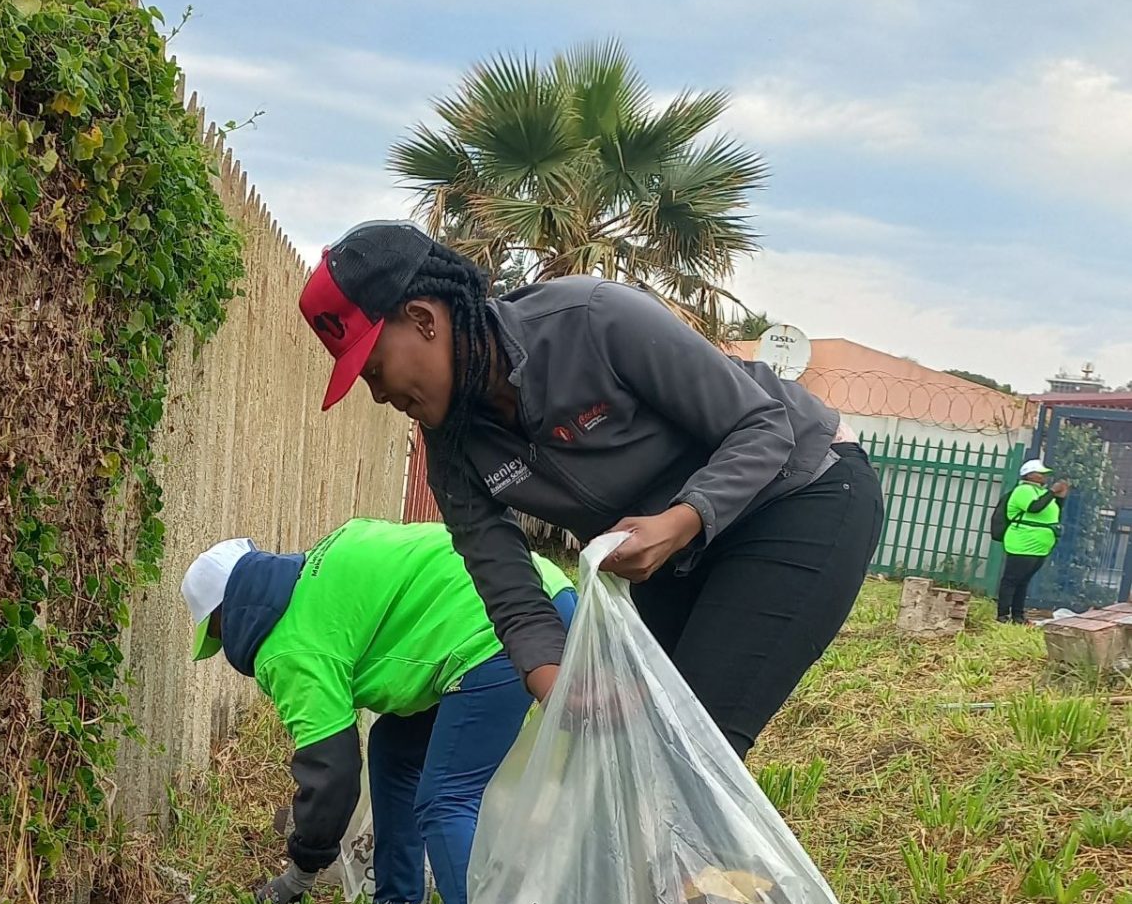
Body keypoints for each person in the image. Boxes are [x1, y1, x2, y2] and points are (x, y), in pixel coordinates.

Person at [299, 224, 884, 756]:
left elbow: (761, 427)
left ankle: (727, 878)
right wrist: (553, 684)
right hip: (671, 554)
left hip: (798, 492)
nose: (377, 396)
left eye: (374, 369)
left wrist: (680, 521)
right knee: (627, 750)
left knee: (693, 753)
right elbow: (507, 586)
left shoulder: (591, 320)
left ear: (424, 319)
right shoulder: (452, 447)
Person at [181, 519, 575, 904]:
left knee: (446, 799)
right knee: (394, 751)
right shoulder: (320, 573)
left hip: (502, 628)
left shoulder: (288, 646)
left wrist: (300, 875)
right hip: (538, 588)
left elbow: (332, 773)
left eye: (216, 633)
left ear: (228, 617)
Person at [996, 457, 1069, 624]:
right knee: (1012, 580)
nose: (1044, 476)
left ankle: (1018, 616)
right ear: (1029, 475)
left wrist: (1060, 498)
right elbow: (1034, 508)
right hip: (1023, 543)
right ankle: (1002, 615)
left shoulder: (1041, 492)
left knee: (1023, 581)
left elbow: (1051, 511)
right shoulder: (1023, 491)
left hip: (1039, 546)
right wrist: (1052, 492)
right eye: (1040, 473)